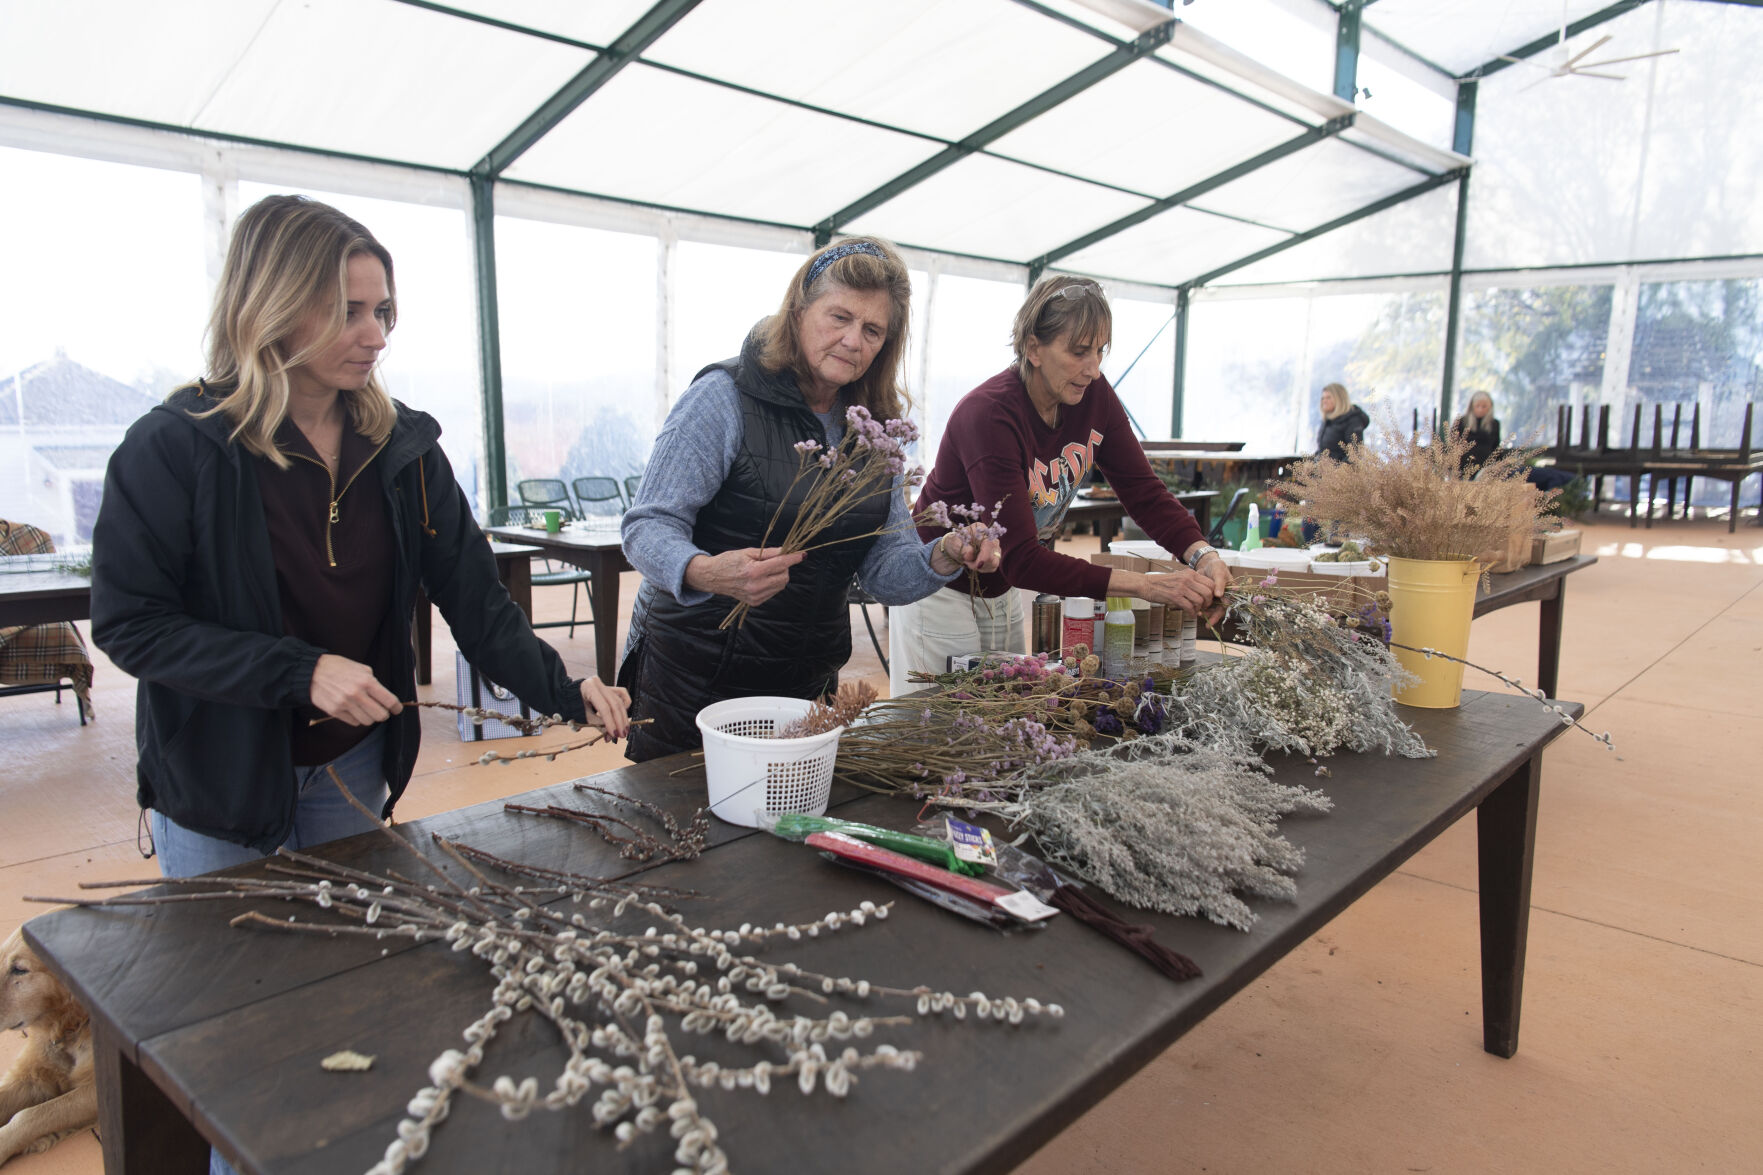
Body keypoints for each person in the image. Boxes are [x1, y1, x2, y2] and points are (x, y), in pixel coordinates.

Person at [92, 195, 630, 886]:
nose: (375, 335)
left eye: (381, 312)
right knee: (231, 983)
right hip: (217, 780)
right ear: (271, 307)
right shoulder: (174, 447)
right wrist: (301, 670)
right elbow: (132, 624)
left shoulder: (402, 452)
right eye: (347, 311)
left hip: (353, 767)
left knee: (345, 975)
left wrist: (565, 687)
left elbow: (474, 599)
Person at [619, 236, 998, 762]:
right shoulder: (724, 398)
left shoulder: (874, 433)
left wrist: (944, 555)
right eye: (838, 317)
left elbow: (884, 571)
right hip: (696, 680)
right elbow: (646, 527)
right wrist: (707, 572)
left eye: (872, 330)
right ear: (798, 311)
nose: (852, 341)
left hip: (805, 684)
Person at [890, 275, 1230, 692]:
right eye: (1079, 351)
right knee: (937, 730)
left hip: (1001, 589)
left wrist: (1203, 555)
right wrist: (1148, 586)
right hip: (940, 589)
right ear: (1034, 348)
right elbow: (1023, 559)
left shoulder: (1095, 396)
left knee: (1003, 722)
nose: (1093, 369)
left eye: (1101, 350)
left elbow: (1143, 491)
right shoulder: (989, 415)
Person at [1316, 381, 1370, 461]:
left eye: (1328, 397)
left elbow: (1355, 455)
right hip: (1323, 470)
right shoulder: (1327, 421)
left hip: (1338, 472)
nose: (1324, 401)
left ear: (1339, 399)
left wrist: (1337, 471)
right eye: (1323, 398)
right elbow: (1323, 451)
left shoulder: (1352, 421)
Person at [1452, 389, 1502, 474]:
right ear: (1472, 406)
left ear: (1490, 407)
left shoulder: (1494, 424)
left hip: (1485, 469)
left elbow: (1496, 448)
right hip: (1463, 468)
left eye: (1484, 406)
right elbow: (1453, 444)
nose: (1480, 409)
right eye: (1477, 406)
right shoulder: (1461, 422)